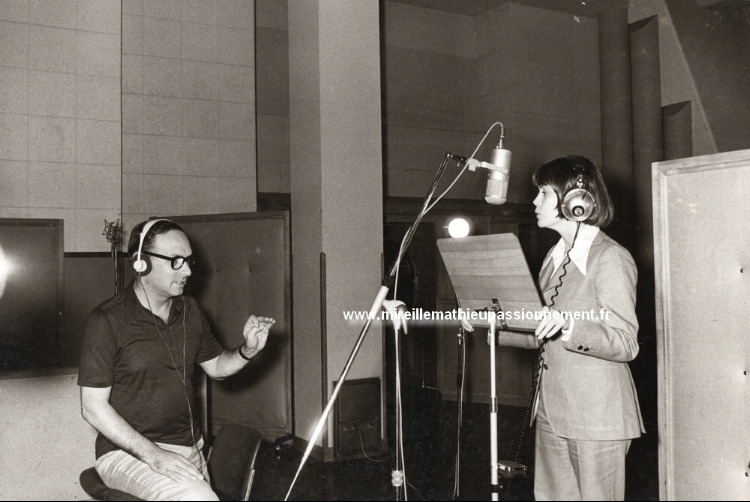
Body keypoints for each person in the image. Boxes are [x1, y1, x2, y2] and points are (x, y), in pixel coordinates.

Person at [465, 155, 643, 500]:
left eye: (543, 193)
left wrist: (569, 327)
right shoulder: (554, 257)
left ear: (577, 202)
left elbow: (625, 343)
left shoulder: (610, 258)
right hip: (551, 410)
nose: (534, 201)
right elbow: (540, 332)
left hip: (596, 416)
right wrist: (491, 325)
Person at [78, 219, 275, 501]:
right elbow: (92, 408)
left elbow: (217, 367)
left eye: (189, 260)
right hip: (126, 453)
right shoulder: (106, 321)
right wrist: (156, 457)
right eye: (176, 261)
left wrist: (248, 350)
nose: (188, 270)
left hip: (187, 448)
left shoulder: (191, 310)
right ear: (141, 263)